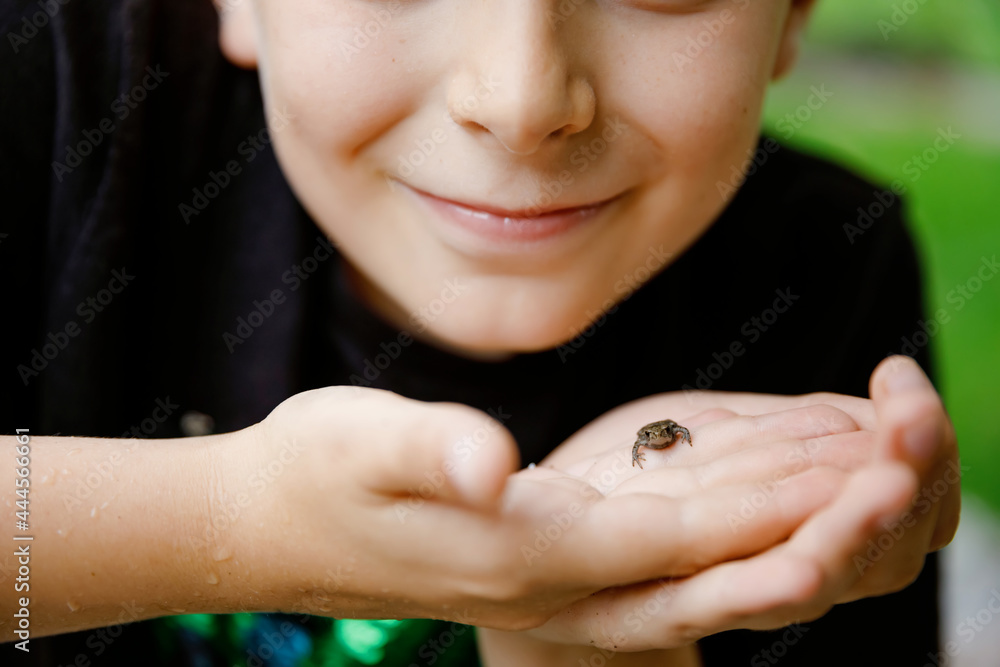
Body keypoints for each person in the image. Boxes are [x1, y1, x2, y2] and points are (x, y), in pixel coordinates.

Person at [0, 0, 960, 665]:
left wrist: (575, 635)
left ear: (792, 14)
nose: (522, 100)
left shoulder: (819, 271)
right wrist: (228, 523)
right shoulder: (68, 89)